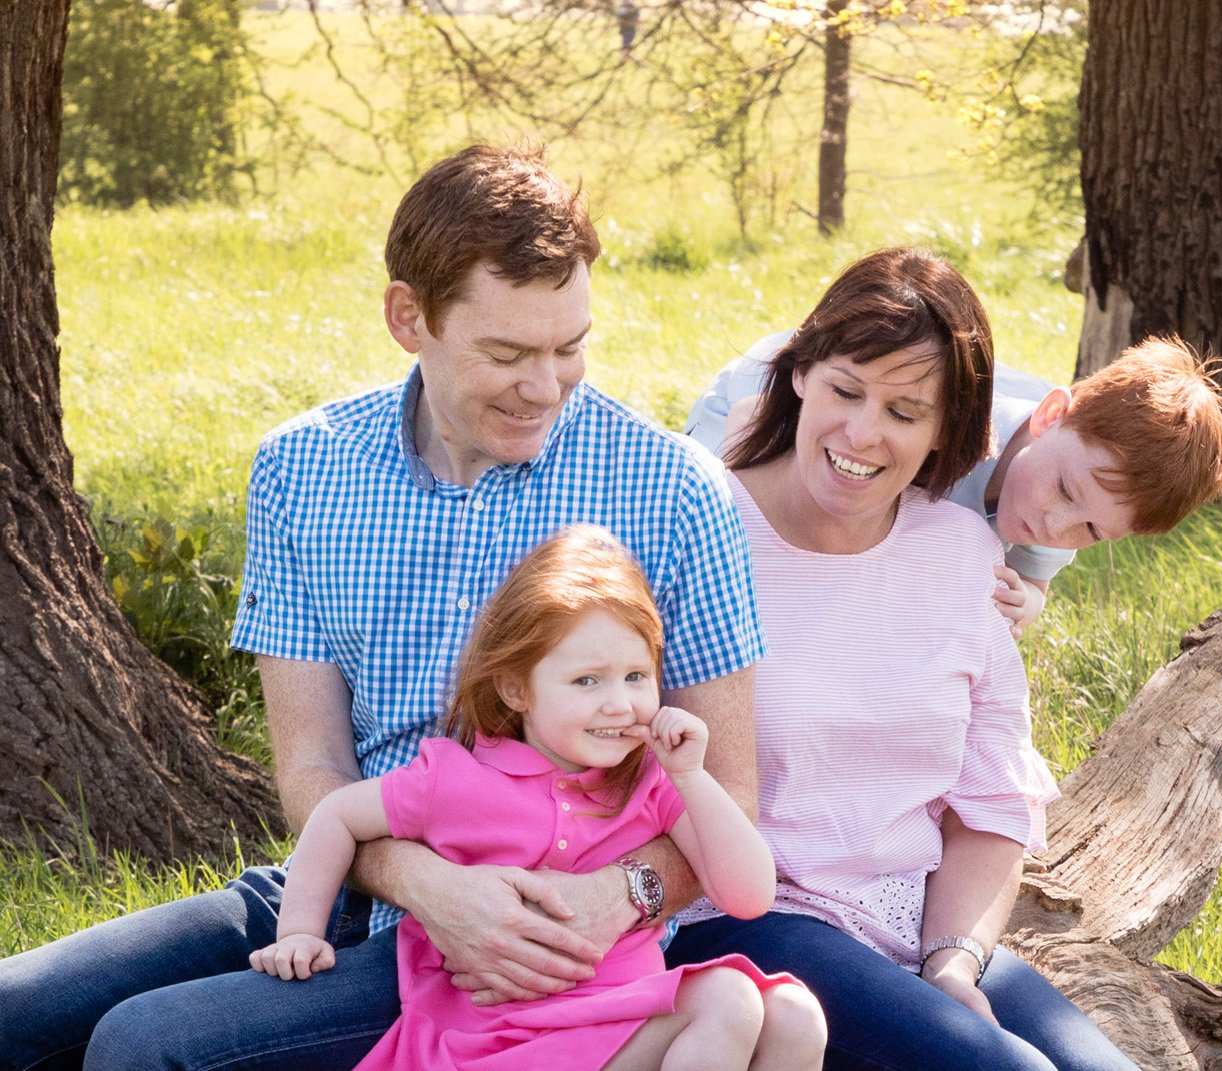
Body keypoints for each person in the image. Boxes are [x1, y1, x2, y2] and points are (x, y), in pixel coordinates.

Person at [0, 144, 764, 1070]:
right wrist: (421, 878)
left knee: (145, 1048)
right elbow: (314, 761)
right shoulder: (305, 468)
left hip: (546, 939)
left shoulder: (675, 490)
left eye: (570, 347)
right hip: (349, 872)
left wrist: (620, 895)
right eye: (507, 352)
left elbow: (730, 793)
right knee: (15, 1011)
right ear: (411, 316)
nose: (545, 387)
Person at [665, 247, 1147, 1069]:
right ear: (800, 376)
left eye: (904, 411)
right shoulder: (695, 525)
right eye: (847, 390)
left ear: (942, 432)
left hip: (910, 921)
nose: (863, 433)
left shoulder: (962, 552)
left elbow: (992, 796)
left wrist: (951, 957)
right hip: (746, 922)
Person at [249, 526, 825, 1071]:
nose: (620, 704)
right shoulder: (457, 781)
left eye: (636, 676)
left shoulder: (649, 782)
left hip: (618, 1017)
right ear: (515, 687)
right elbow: (337, 814)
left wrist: (693, 778)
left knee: (798, 1019)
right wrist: (300, 929)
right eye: (587, 681)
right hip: (498, 1037)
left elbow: (749, 895)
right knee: (726, 999)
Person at [685, 329, 1222, 633]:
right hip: (772, 400)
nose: (1055, 525)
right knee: (751, 539)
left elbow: (1033, 583)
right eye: (1067, 492)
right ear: (1049, 418)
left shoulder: (1075, 494)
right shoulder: (954, 430)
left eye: (1092, 530)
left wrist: (1025, 602)